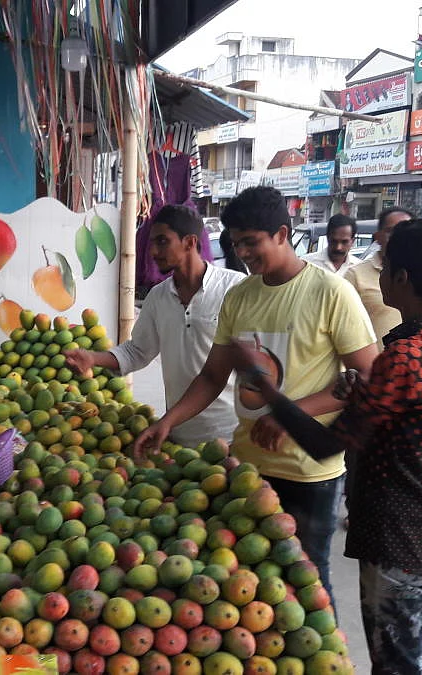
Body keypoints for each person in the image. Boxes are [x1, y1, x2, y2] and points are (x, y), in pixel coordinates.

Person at [230, 218, 422, 675]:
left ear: (401, 278)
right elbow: (413, 417)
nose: (379, 276)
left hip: (398, 530)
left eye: (385, 267)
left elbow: (324, 444)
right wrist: (362, 391)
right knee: (419, 650)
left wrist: (267, 388)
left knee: (397, 661)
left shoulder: (404, 358)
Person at [134, 186, 378, 601]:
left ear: (282, 234)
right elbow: (213, 376)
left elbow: (367, 376)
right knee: (252, 588)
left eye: (251, 242)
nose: (243, 253)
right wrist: (167, 422)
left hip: (308, 473)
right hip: (249, 465)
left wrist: (289, 415)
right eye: (236, 244)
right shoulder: (240, 297)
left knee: (309, 586)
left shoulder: (330, 292)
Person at [65, 205, 244, 447]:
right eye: (152, 243)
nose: (153, 251)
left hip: (232, 435)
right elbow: (138, 351)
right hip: (179, 435)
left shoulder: (233, 289)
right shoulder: (158, 297)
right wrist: (93, 358)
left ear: (190, 243)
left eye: (162, 241)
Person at [344, 207, 414, 346]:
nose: (398, 237)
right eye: (391, 231)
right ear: (378, 237)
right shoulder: (355, 276)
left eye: (406, 231)